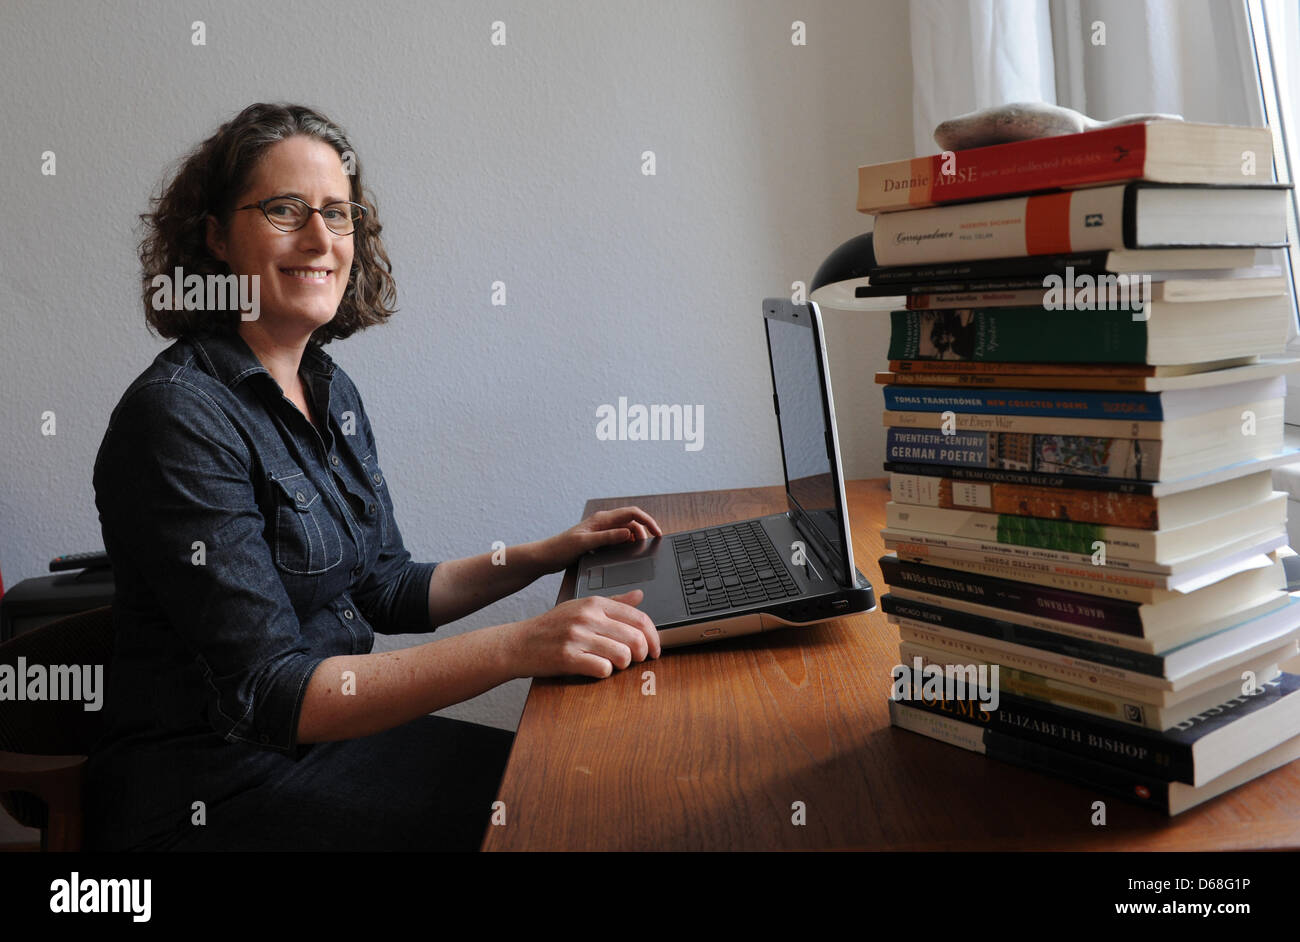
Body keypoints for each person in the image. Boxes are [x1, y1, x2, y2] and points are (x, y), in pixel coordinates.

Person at [85, 102, 662, 851]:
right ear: (217, 236)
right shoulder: (177, 418)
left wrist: (554, 550)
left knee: (598, 780)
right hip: (218, 792)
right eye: (285, 210)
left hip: (334, 748)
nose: (321, 238)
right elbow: (274, 692)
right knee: (573, 818)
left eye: (338, 213)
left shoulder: (328, 387)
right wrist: (522, 645)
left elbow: (387, 588)